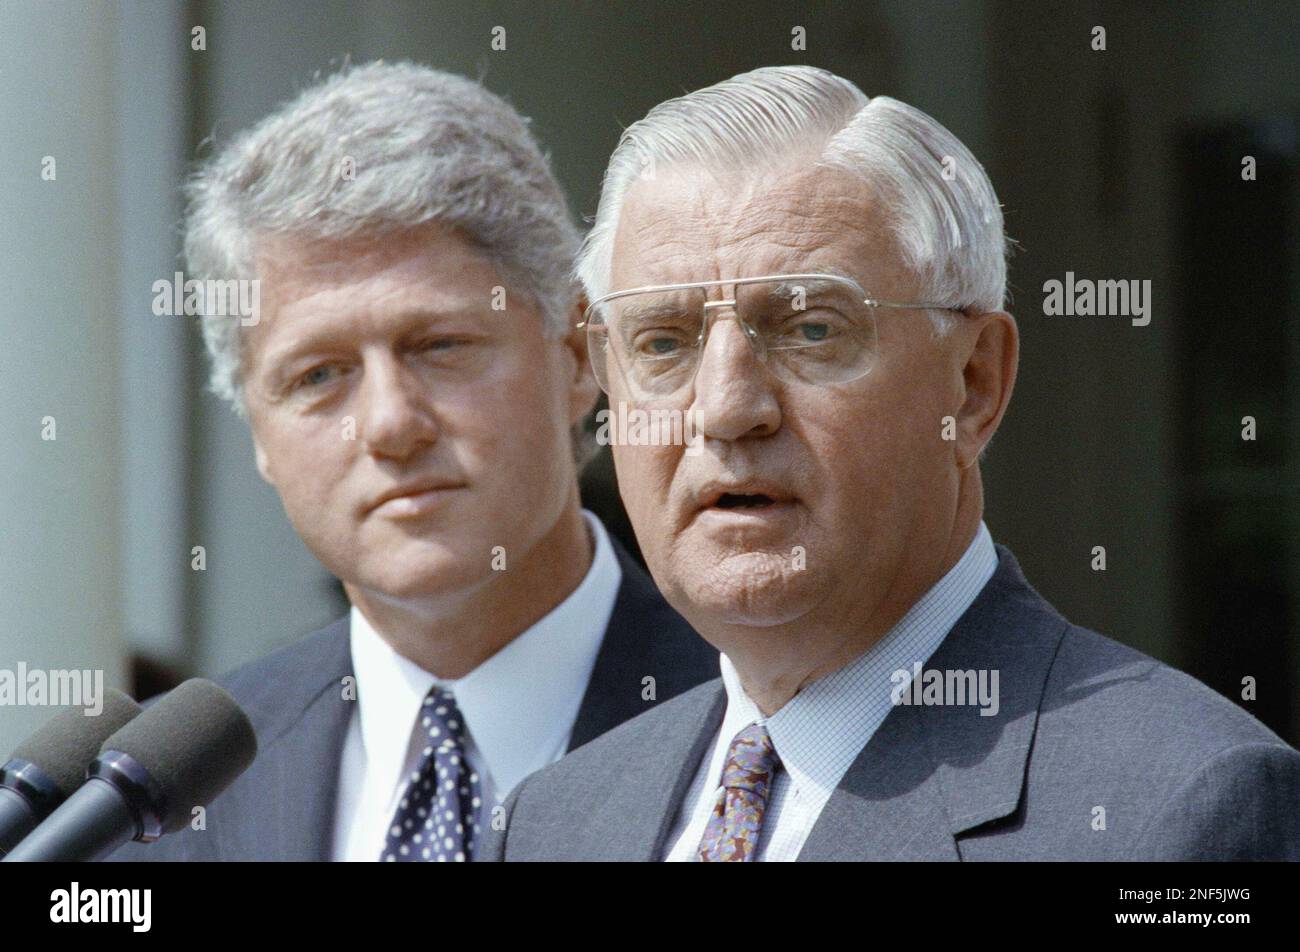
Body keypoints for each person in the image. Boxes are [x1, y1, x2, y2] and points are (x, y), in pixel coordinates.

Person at [481, 65, 1300, 861]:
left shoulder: (1174, 810)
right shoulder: (553, 820)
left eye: (810, 330)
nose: (727, 408)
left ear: (973, 385)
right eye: (663, 341)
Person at [109, 62, 715, 862]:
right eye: (319, 375)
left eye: (440, 346)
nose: (392, 424)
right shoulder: (171, 797)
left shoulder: (759, 717)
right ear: (257, 429)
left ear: (577, 357)